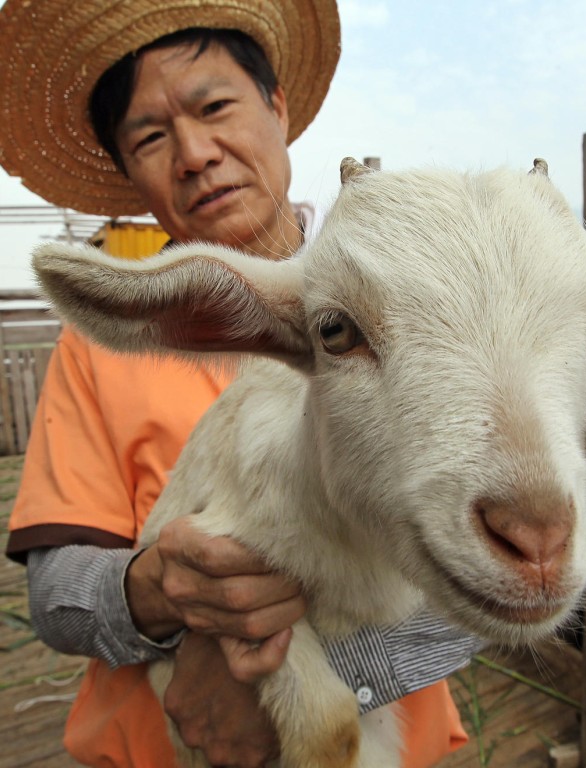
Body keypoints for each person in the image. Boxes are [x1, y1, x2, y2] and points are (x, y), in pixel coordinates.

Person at [0, 1, 482, 766]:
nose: (193, 154)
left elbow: (499, 569)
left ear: (277, 107)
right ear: (129, 171)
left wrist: (315, 695)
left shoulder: (415, 307)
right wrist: (152, 587)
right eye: (150, 137)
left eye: (215, 106)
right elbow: (55, 595)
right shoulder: (99, 343)